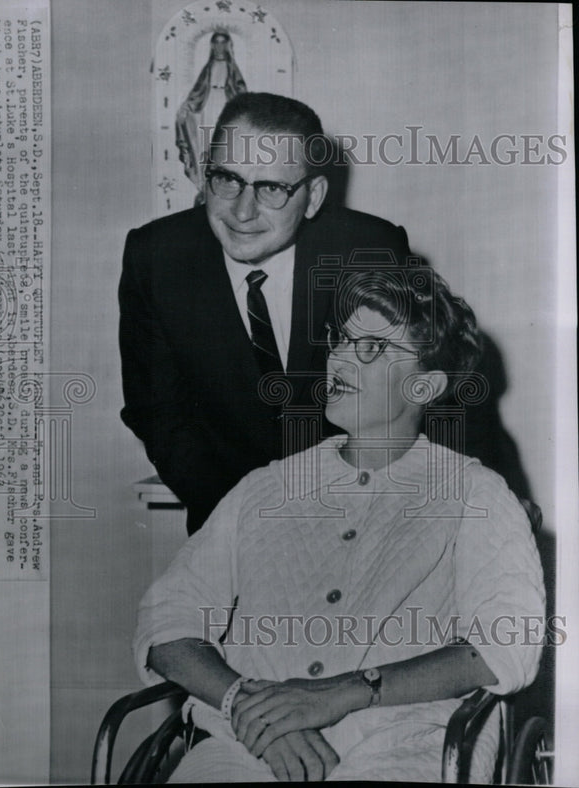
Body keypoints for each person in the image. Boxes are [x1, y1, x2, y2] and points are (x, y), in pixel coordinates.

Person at [133, 266, 545, 782]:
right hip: (250, 746)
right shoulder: (265, 488)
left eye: (370, 348)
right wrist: (246, 705)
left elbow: (509, 646)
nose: (339, 358)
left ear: (424, 385)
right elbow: (166, 622)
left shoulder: (476, 495)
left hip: (407, 748)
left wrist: (347, 691)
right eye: (341, 338)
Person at [119, 92, 412, 534]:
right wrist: (246, 518)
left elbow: (415, 392)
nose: (242, 210)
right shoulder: (157, 258)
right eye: (227, 179)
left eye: (271, 188)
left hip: (362, 515)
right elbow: (159, 411)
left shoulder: (369, 251)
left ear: (312, 197)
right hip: (229, 522)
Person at [175, 31, 247, 197]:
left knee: (222, 141)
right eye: (216, 43)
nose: (220, 47)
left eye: (223, 43)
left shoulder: (232, 68)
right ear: (212, 46)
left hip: (225, 104)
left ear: (228, 46)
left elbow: (240, 90)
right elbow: (198, 91)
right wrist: (187, 106)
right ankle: (204, 180)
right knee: (206, 141)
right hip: (208, 106)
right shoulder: (208, 68)